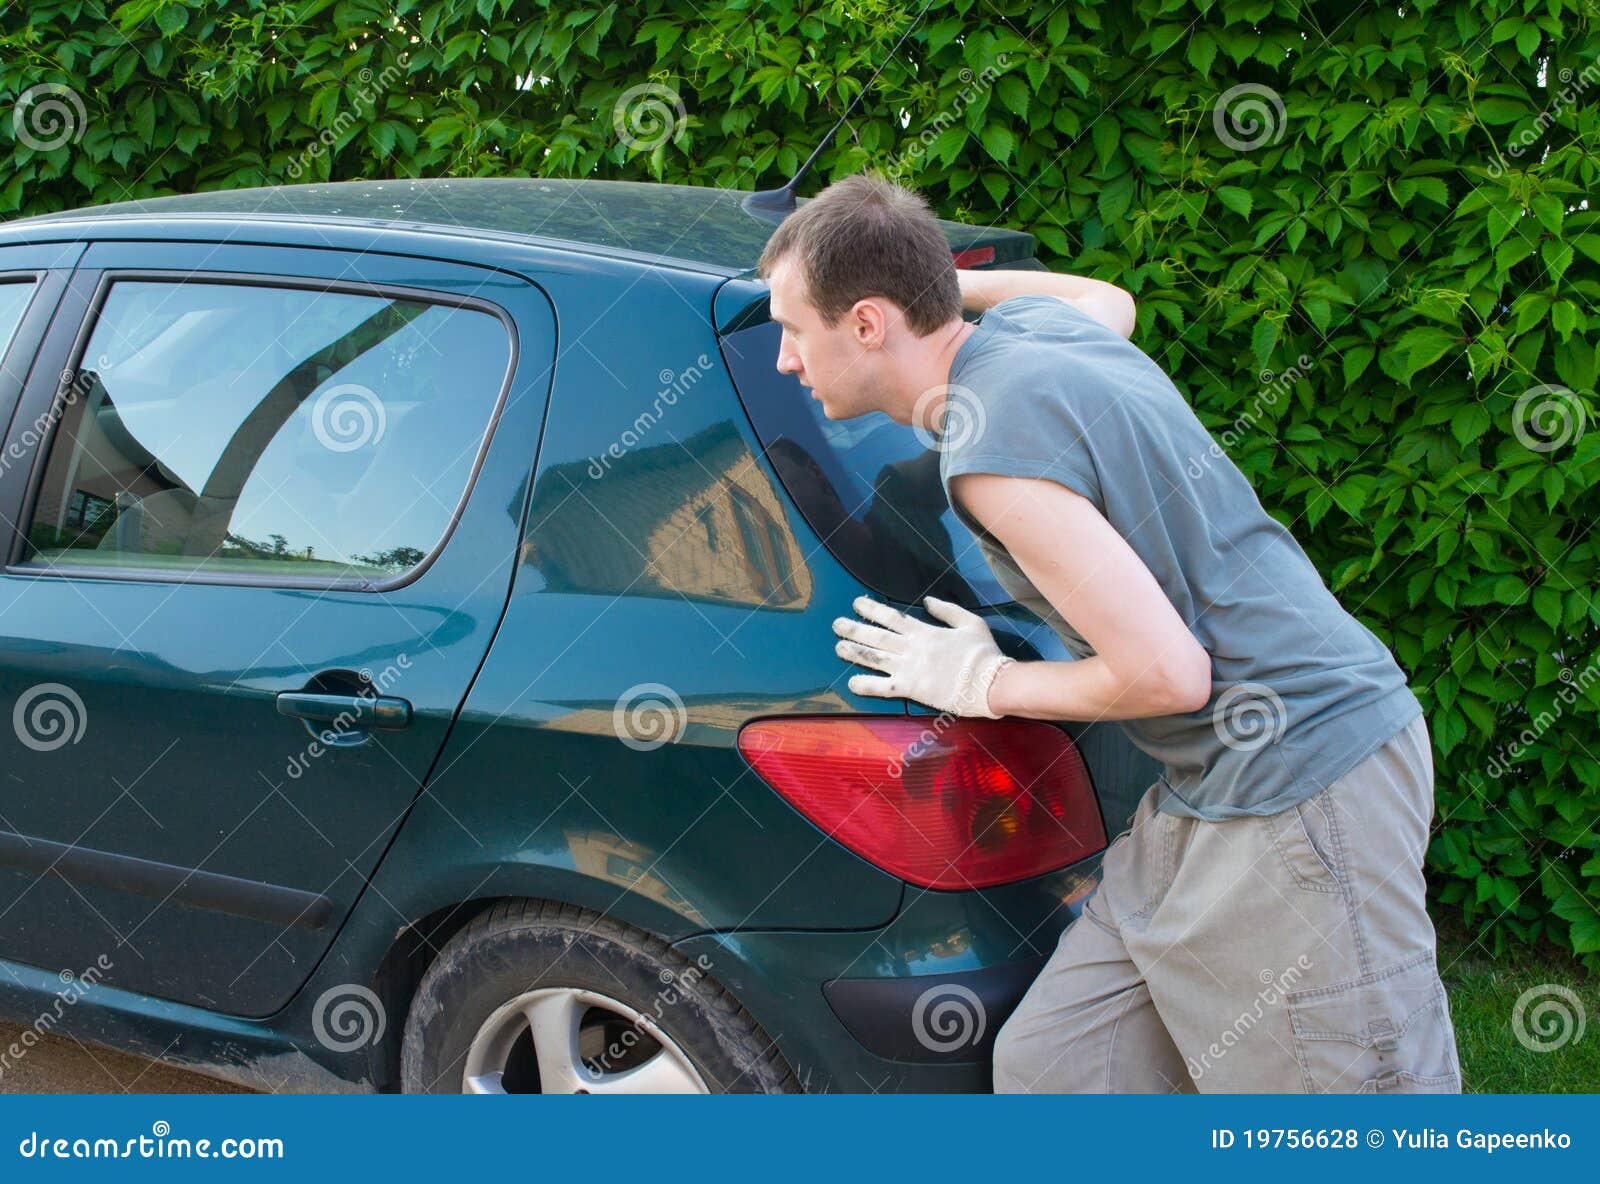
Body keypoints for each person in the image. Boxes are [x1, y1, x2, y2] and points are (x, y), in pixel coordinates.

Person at [755, 171, 1461, 1093]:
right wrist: (932, 283)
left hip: (1303, 780)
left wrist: (979, 685)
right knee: (1062, 1067)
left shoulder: (992, 457)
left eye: (792, 328)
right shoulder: (1033, 331)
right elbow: (1108, 299)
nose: (785, 359)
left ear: (865, 324)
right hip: (1209, 784)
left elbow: (1169, 675)